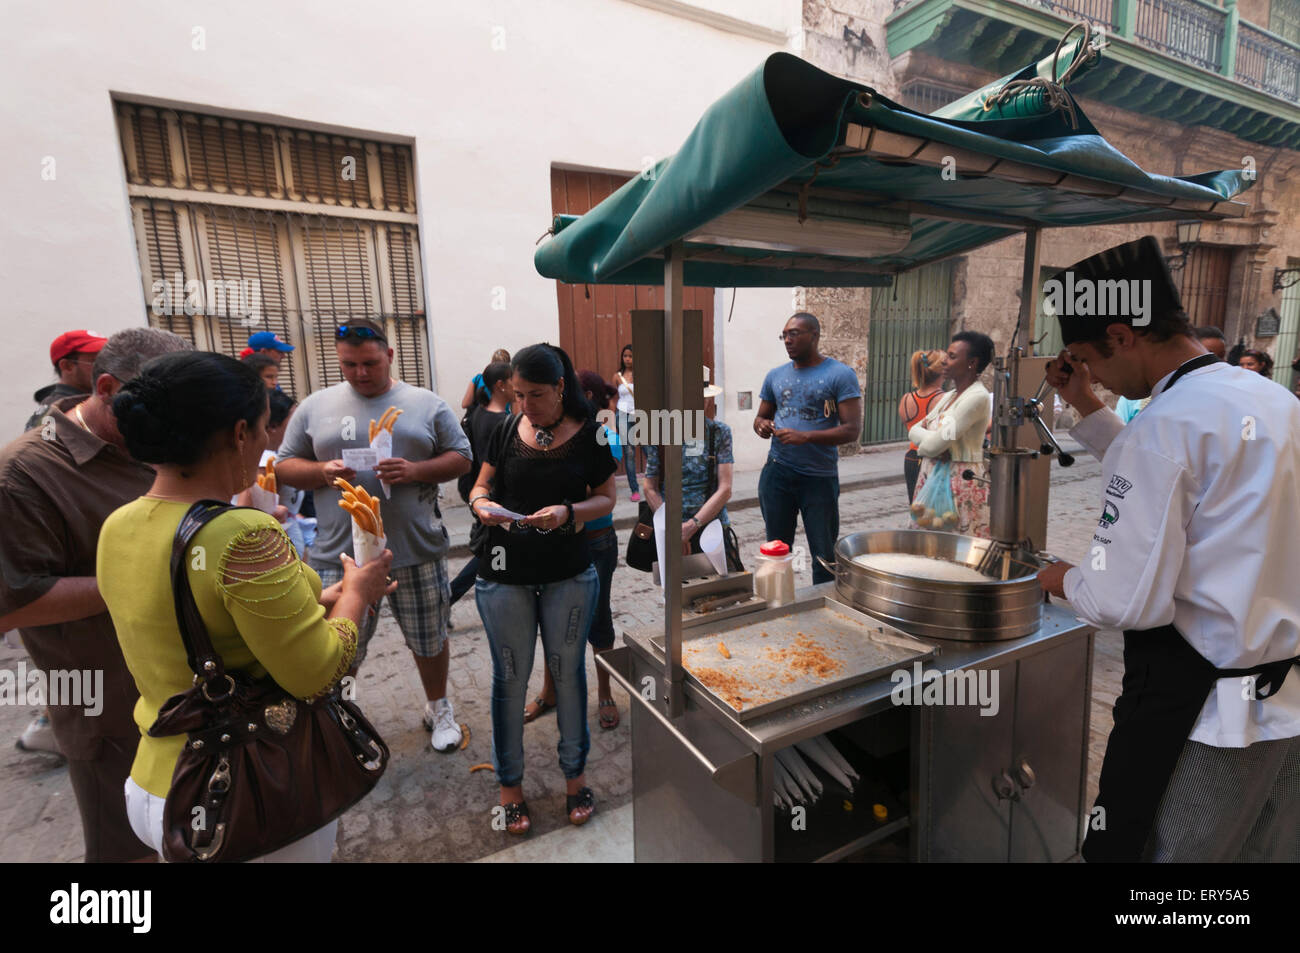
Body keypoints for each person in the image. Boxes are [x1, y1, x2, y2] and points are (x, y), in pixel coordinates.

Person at [1038, 235, 1300, 863]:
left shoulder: (1167, 426)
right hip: (1283, 699)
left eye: (1085, 357)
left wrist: (1060, 577)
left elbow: (1123, 601)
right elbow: (1187, 482)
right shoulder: (1269, 399)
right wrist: (1084, 404)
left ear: (1123, 334)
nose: (1091, 373)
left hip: (1205, 717)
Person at [99, 351, 393, 862]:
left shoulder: (119, 523)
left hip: (156, 781)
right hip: (243, 790)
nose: (267, 446)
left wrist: (326, 595)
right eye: (262, 430)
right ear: (238, 434)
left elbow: (203, 617)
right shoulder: (243, 533)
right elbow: (317, 671)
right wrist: (357, 594)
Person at [0, 327, 191, 862]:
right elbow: (15, 603)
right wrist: (146, 579)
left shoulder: (148, 442)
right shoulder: (25, 474)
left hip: (185, 696)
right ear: (106, 387)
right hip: (107, 707)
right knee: (128, 856)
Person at [275, 319, 472, 752]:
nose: (360, 373)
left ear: (390, 356)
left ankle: (438, 706)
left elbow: (462, 456)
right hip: (339, 557)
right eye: (349, 364)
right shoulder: (315, 407)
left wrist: (416, 470)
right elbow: (284, 466)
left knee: (429, 636)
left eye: (369, 363)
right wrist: (321, 471)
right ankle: (337, 716)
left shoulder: (425, 403)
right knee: (337, 646)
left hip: (414, 549)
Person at [468, 344, 617, 834]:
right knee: (509, 680)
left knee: (568, 674)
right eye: (517, 394)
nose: (525, 405)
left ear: (559, 388)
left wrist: (569, 513)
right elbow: (479, 487)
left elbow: (608, 498)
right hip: (503, 574)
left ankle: (575, 779)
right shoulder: (507, 428)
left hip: (569, 573)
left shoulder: (593, 433)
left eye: (534, 395)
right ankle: (511, 788)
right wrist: (482, 505)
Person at [525, 370, 624, 731]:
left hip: (595, 540)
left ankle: (605, 692)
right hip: (554, 539)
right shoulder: (550, 434)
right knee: (550, 619)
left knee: (598, 618)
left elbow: (596, 494)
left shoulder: (605, 436)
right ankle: (550, 691)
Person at [754, 313, 863, 584]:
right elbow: (760, 417)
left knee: (824, 554)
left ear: (814, 335)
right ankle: (780, 606)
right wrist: (763, 425)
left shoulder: (840, 374)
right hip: (777, 473)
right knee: (776, 549)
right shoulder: (775, 376)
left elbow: (852, 430)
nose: (788, 340)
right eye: (784, 335)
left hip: (819, 477)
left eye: (794, 334)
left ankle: (824, 608)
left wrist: (806, 437)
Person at [908, 332, 994, 538]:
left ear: (972, 363)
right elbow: (914, 430)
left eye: (952, 356)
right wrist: (933, 442)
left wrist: (932, 444)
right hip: (934, 475)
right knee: (928, 545)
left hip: (961, 480)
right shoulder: (949, 397)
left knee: (960, 545)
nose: (944, 361)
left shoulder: (976, 398)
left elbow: (932, 447)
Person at [449, 361, 513, 606]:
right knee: (489, 550)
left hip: (481, 494)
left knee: (489, 549)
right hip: (492, 496)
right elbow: (494, 466)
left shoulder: (479, 413)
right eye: (512, 381)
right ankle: (448, 598)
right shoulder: (499, 421)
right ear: (500, 385)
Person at [1115, 325, 1227, 422]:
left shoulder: (1223, 396)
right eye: (1208, 354)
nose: (1215, 361)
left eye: (1221, 356)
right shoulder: (1135, 400)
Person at [24, 330, 108, 432]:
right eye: (96, 362)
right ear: (67, 366)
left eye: (108, 361)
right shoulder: (61, 411)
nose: (107, 368)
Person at [898, 349, 946, 504]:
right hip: (933, 460)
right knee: (937, 513)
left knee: (917, 510)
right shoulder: (943, 399)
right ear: (942, 372)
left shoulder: (906, 399)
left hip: (911, 458)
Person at [613, 344, 642, 501]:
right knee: (629, 453)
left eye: (630, 356)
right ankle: (634, 489)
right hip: (622, 414)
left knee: (648, 449)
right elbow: (613, 398)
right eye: (625, 356)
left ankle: (657, 484)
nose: (628, 359)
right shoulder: (617, 376)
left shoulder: (642, 374)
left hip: (640, 414)